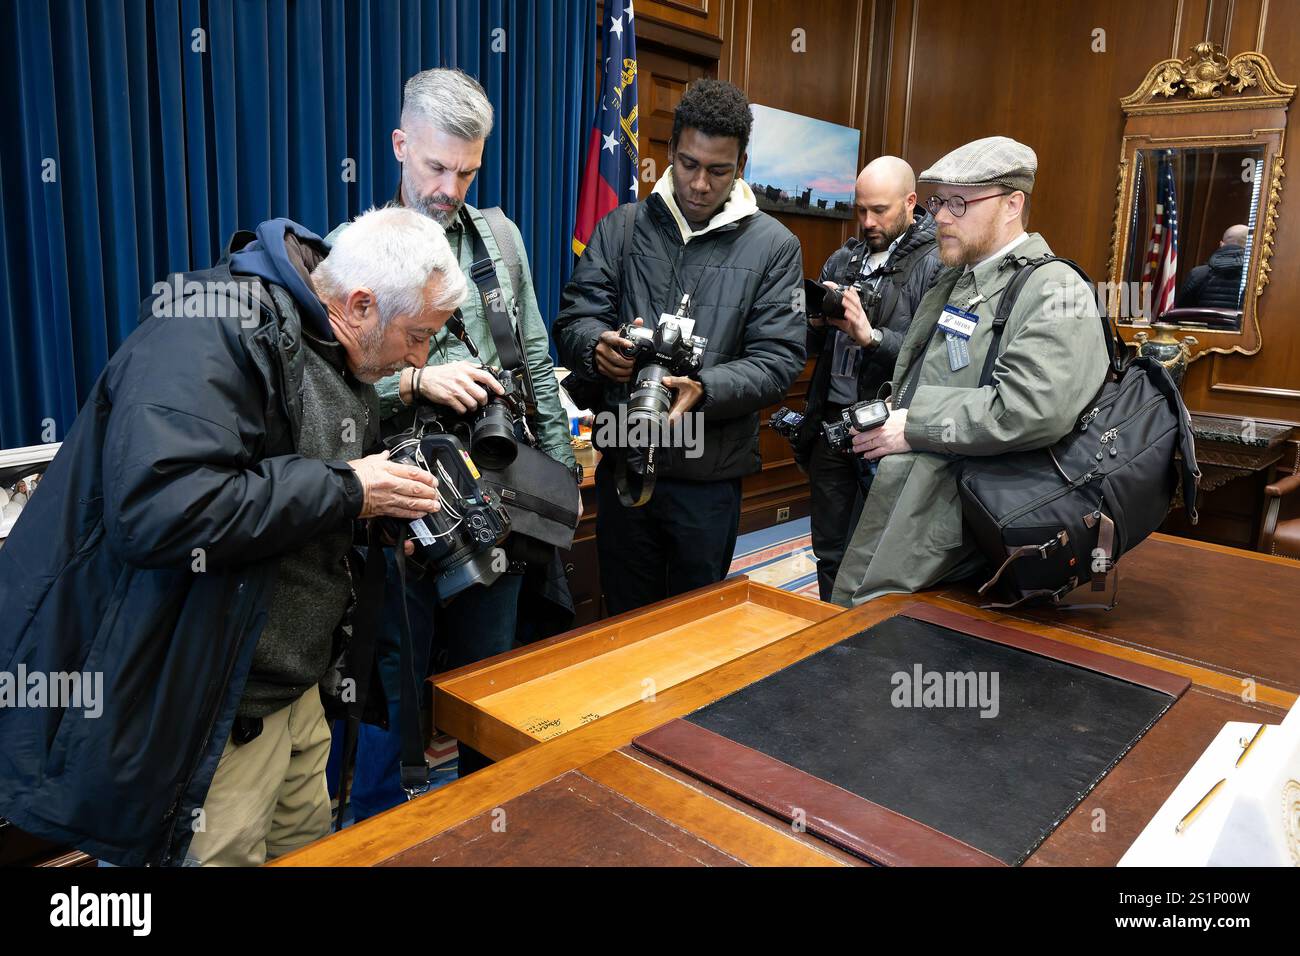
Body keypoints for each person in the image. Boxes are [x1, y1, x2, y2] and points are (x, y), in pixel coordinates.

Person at [0, 206, 465, 866]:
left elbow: (297, 491)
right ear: (361, 304)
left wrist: (374, 515)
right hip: (207, 720)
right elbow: (161, 510)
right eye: (418, 336)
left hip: (296, 699)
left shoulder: (339, 349)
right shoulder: (206, 329)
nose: (418, 359)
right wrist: (350, 490)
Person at [331, 68, 581, 809]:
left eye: (467, 170)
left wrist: (561, 485)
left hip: (500, 487)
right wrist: (417, 382)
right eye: (437, 167)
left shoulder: (499, 235)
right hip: (403, 502)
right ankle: (385, 827)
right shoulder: (353, 249)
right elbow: (331, 390)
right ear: (401, 145)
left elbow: (535, 358)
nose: (450, 187)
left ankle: (484, 816)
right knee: (394, 689)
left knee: (489, 680)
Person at [554, 79, 806, 615]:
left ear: (741, 163)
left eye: (718, 170)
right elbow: (576, 316)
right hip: (625, 455)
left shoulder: (775, 246)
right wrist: (595, 348)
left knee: (696, 621)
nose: (698, 184)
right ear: (670, 153)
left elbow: (780, 359)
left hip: (707, 472)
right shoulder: (622, 227)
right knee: (623, 611)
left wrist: (704, 387)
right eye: (689, 164)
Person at [832, 136, 1109, 606]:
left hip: (964, 521)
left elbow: (1028, 407)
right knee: (862, 617)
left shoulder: (1055, 288)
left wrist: (914, 425)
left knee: (882, 626)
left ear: (1012, 204)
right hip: (913, 495)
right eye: (938, 201)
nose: (939, 216)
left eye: (959, 203)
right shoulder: (959, 276)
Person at [796, 156, 939, 600]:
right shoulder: (845, 259)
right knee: (830, 548)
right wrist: (817, 322)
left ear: (910, 203)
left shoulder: (934, 263)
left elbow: (928, 360)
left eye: (880, 210)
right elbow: (803, 345)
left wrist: (871, 336)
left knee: (878, 554)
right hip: (830, 422)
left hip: (885, 429)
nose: (868, 221)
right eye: (860, 210)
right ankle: (826, 632)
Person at [1175, 223, 1248, 310]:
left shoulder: (1198, 274)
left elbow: (1181, 310)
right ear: (1249, 246)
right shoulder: (1255, 279)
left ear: (1221, 244)